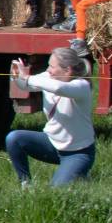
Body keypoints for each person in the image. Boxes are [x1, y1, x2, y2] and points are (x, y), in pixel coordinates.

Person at [7, 48, 94, 187]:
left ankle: (80, 171)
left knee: (56, 190)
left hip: (78, 152)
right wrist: (16, 75)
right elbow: (25, 86)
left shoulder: (82, 86)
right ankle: (25, 183)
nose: (48, 70)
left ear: (67, 70)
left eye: (52, 66)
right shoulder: (49, 78)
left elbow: (59, 88)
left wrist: (28, 77)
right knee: (14, 138)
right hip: (51, 144)